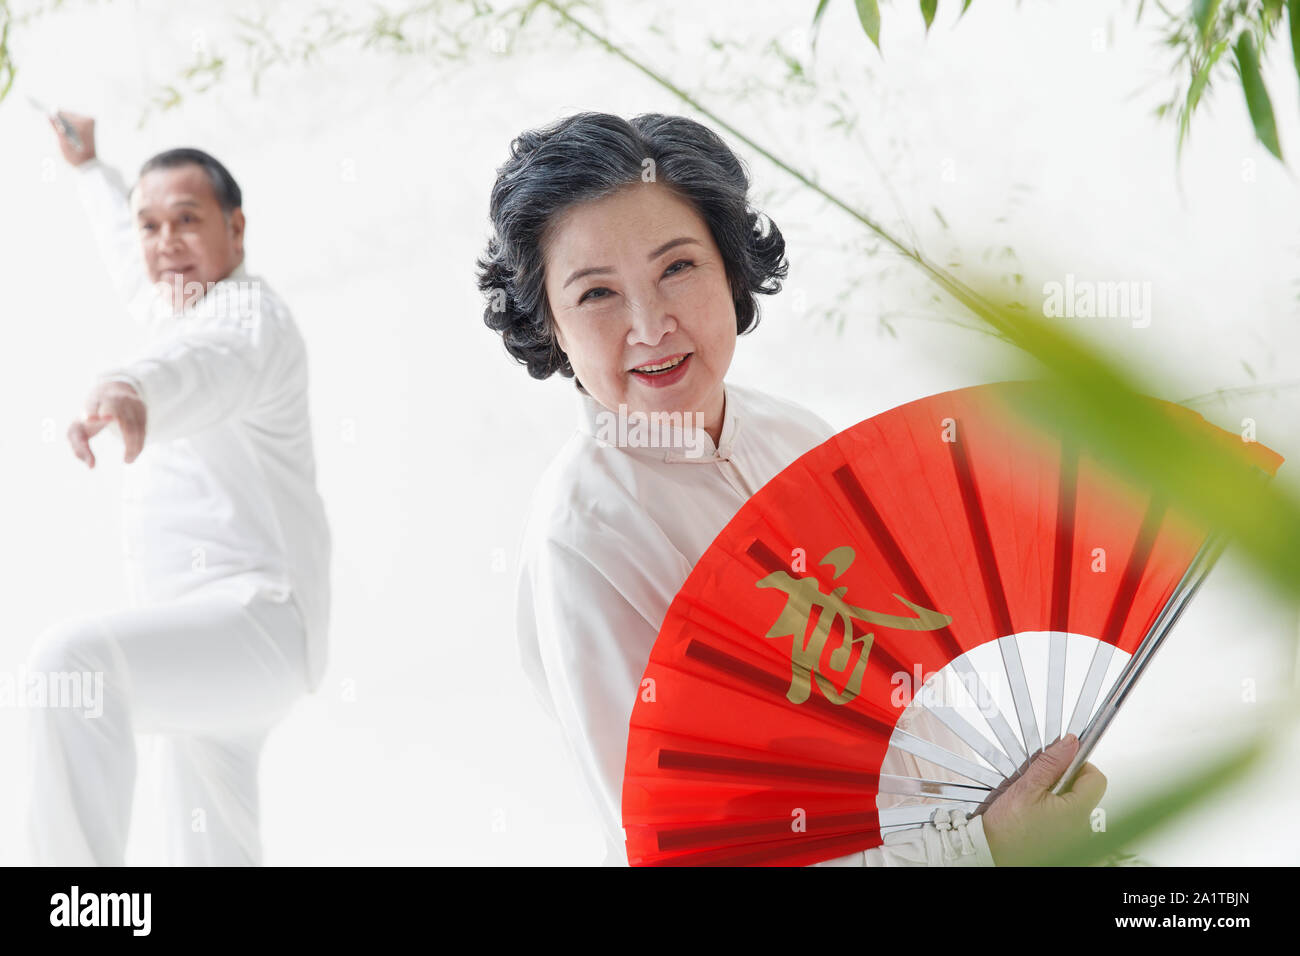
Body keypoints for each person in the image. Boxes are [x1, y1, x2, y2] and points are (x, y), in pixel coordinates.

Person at [478, 111, 1107, 866]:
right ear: (548, 323)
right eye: (596, 295)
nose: (650, 326)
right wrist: (977, 851)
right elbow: (685, 846)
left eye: (678, 267)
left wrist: (1012, 804)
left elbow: (897, 693)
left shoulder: (797, 438)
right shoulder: (582, 542)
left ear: (732, 267)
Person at [26, 112, 331, 865]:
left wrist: (131, 387)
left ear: (236, 226)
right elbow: (130, 259)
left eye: (187, 222)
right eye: (151, 226)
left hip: (252, 624)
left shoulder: (250, 321)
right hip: (212, 640)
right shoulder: (175, 301)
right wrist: (90, 169)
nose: (166, 244)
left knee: (73, 668)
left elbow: (204, 366)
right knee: (214, 846)